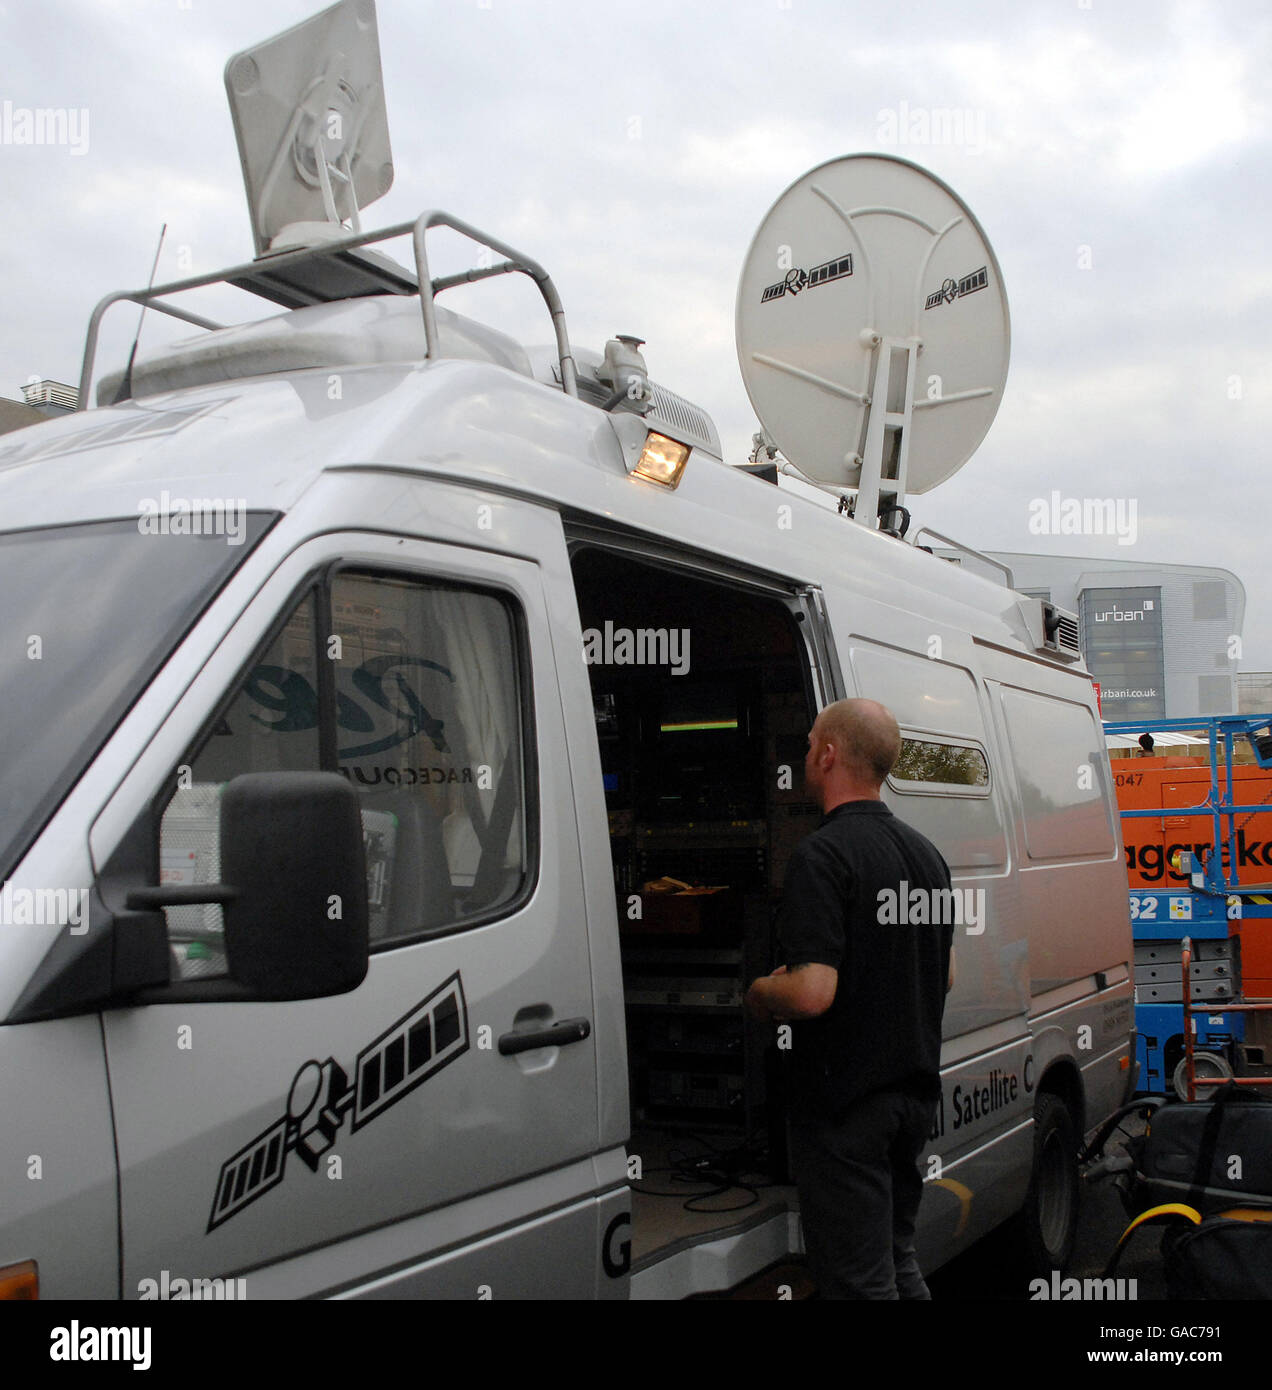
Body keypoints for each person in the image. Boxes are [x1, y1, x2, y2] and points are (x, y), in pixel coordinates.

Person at [744, 698, 954, 1300]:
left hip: (846, 1109)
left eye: (810, 744)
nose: (806, 755)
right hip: (911, 1099)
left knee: (857, 1283)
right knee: (897, 1261)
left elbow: (811, 994)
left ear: (830, 754)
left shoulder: (822, 855)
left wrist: (761, 992)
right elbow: (944, 973)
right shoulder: (926, 856)